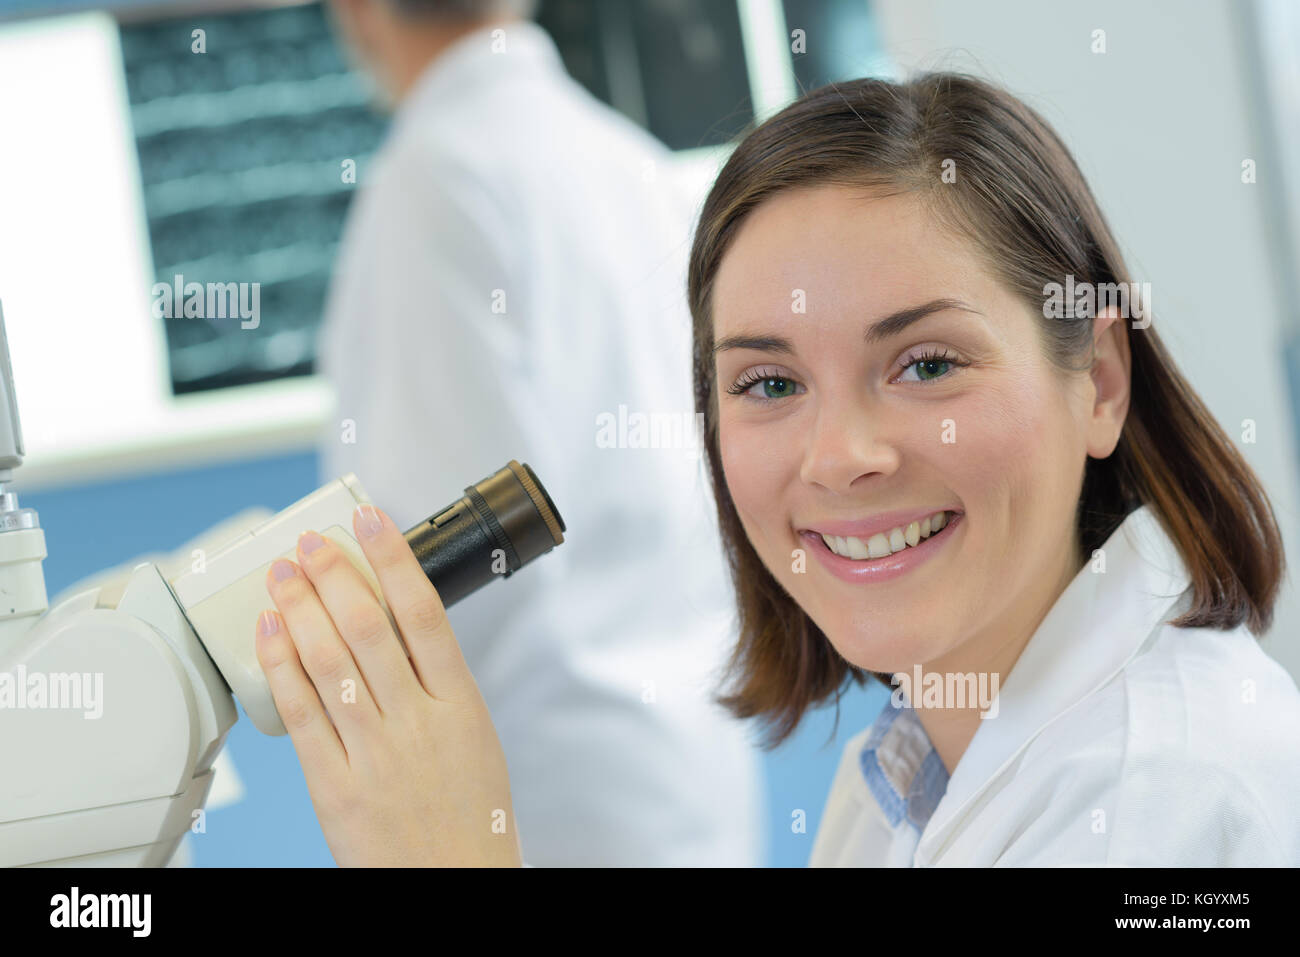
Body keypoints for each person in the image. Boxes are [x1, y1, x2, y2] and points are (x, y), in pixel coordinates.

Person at [258, 71, 1300, 866]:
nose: (842, 457)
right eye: (767, 384)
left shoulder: (1164, 800)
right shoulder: (897, 775)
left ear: (1100, 383)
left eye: (925, 364)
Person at [312, 0, 763, 865]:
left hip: (551, 800)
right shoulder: (633, 164)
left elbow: (438, 560)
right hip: (688, 770)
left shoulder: (435, 178)